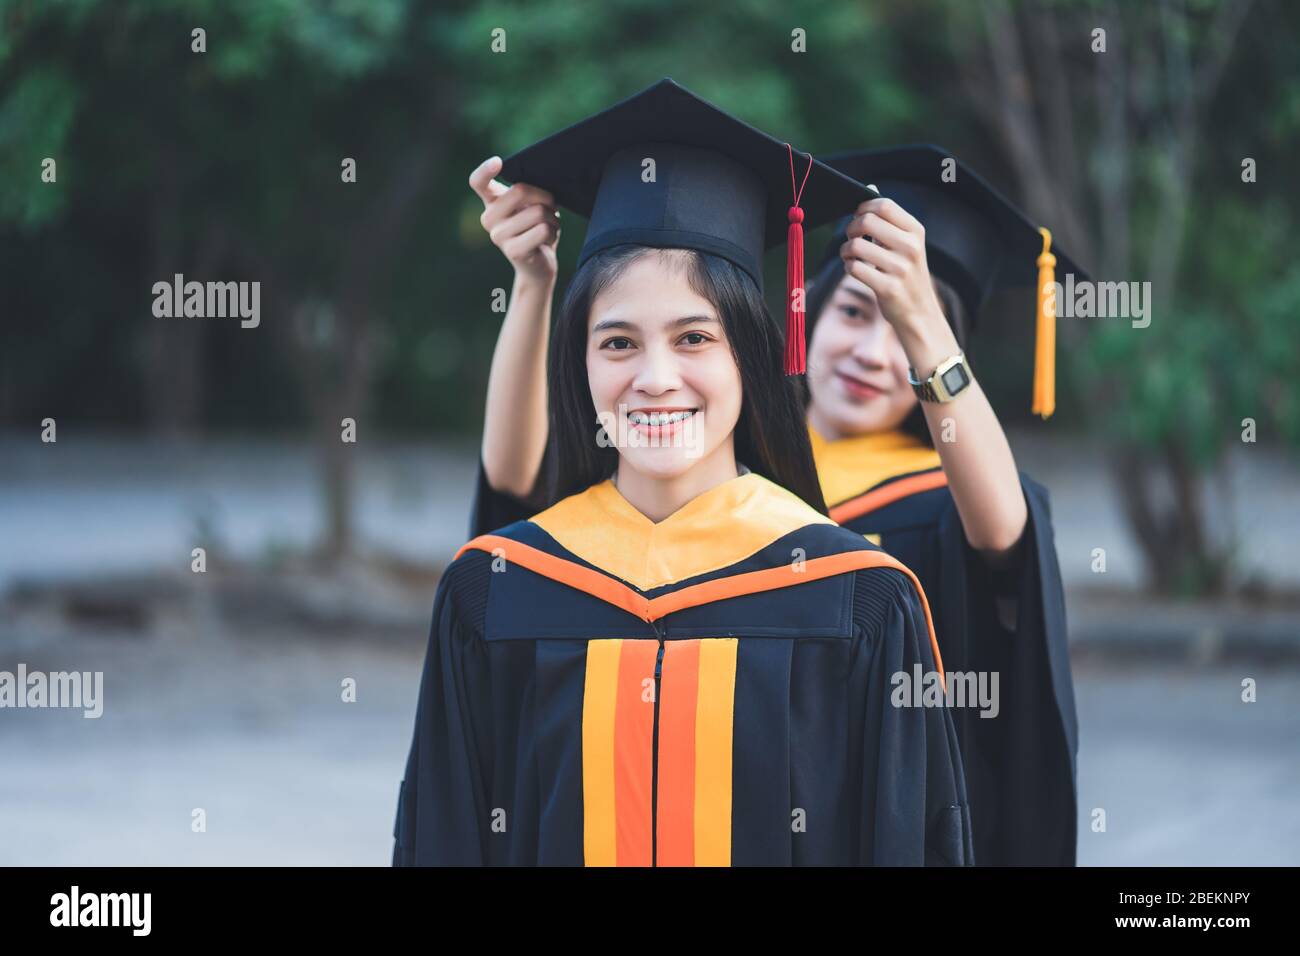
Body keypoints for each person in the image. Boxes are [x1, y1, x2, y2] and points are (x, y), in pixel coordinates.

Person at [393, 79, 973, 866]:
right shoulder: (496, 589)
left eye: (695, 338)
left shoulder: (858, 598)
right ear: (581, 365)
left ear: (751, 359)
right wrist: (534, 281)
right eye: (619, 342)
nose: (655, 378)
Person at [470, 138, 1080, 866]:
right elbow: (519, 487)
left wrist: (925, 326)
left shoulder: (944, 501)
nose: (871, 353)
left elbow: (1006, 539)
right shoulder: (693, 465)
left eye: (904, 331)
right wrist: (533, 286)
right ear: (804, 309)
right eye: (856, 313)